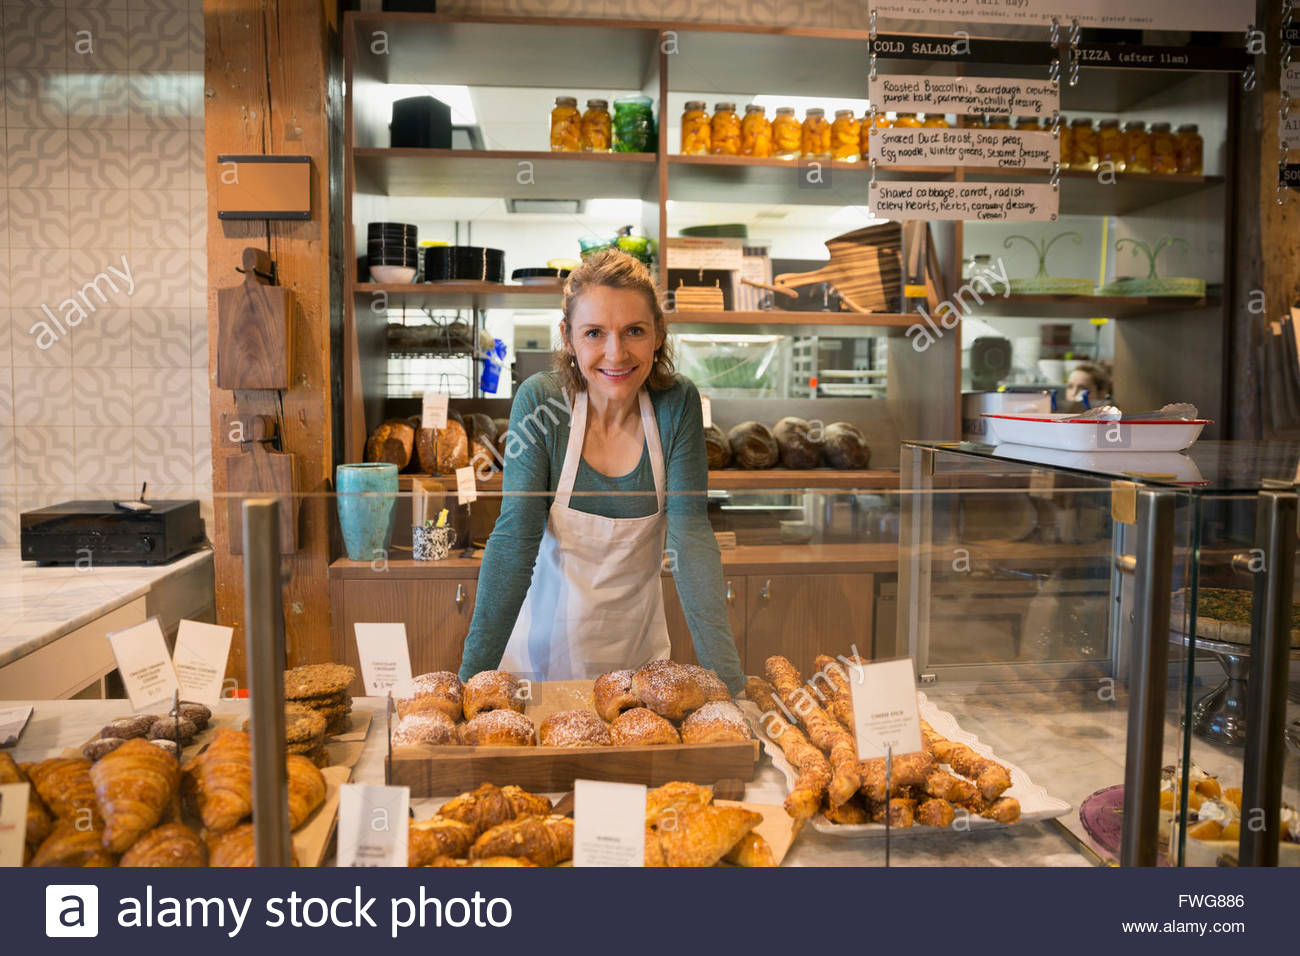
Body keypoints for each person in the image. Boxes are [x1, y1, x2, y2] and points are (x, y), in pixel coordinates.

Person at [458, 250, 744, 694]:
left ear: (658, 335)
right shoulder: (542, 405)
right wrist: (469, 686)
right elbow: (515, 540)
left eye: (634, 331)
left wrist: (731, 690)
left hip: (638, 675)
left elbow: (691, 541)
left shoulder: (676, 404)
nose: (616, 353)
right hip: (540, 667)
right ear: (568, 338)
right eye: (594, 333)